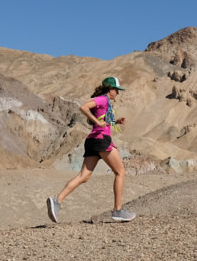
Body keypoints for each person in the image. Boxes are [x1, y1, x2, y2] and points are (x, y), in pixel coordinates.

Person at [46, 76, 136, 223]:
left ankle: (57, 200)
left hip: (92, 141)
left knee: (84, 176)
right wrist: (96, 122)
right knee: (120, 172)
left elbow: (103, 120)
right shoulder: (102, 99)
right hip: (101, 139)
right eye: (116, 90)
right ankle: (118, 211)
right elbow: (83, 107)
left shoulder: (105, 103)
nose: (118, 93)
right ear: (110, 89)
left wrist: (116, 121)